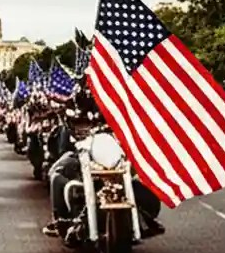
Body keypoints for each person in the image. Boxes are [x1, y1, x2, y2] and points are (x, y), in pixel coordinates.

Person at [41, 84, 164, 244]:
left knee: (144, 174)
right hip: (84, 150)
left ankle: (144, 218)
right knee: (57, 173)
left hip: (112, 148)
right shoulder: (80, 95)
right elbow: (69, 118)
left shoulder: (120, 96)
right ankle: (62, 221)